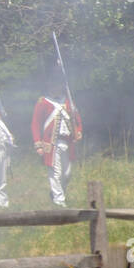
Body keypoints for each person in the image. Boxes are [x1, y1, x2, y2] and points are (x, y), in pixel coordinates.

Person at [31, 74, 82, 207]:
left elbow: (76, 118)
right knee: (55, 172)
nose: (56, 87)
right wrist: (38, 144)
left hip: (67, 142)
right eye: (53, 84)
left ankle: (57, 194)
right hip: (51, 143)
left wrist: (79, 131)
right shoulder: (43, 102)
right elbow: (35, 124)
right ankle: (59, 201)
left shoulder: (68, 101)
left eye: (58, 84)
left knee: (67, 173)